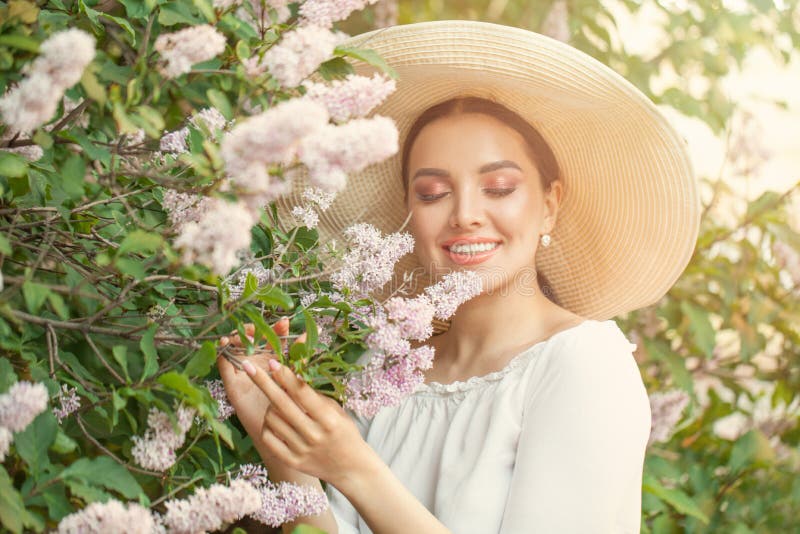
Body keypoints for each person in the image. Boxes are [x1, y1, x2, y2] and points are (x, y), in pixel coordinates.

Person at [217, 20, 701, 534]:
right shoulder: (386, 367)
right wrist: (276, 431)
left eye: (498, 187)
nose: (465, 213)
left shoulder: (582, 365)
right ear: (408, 214)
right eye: (432, 193)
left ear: (550, 206)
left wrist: (356, 469)